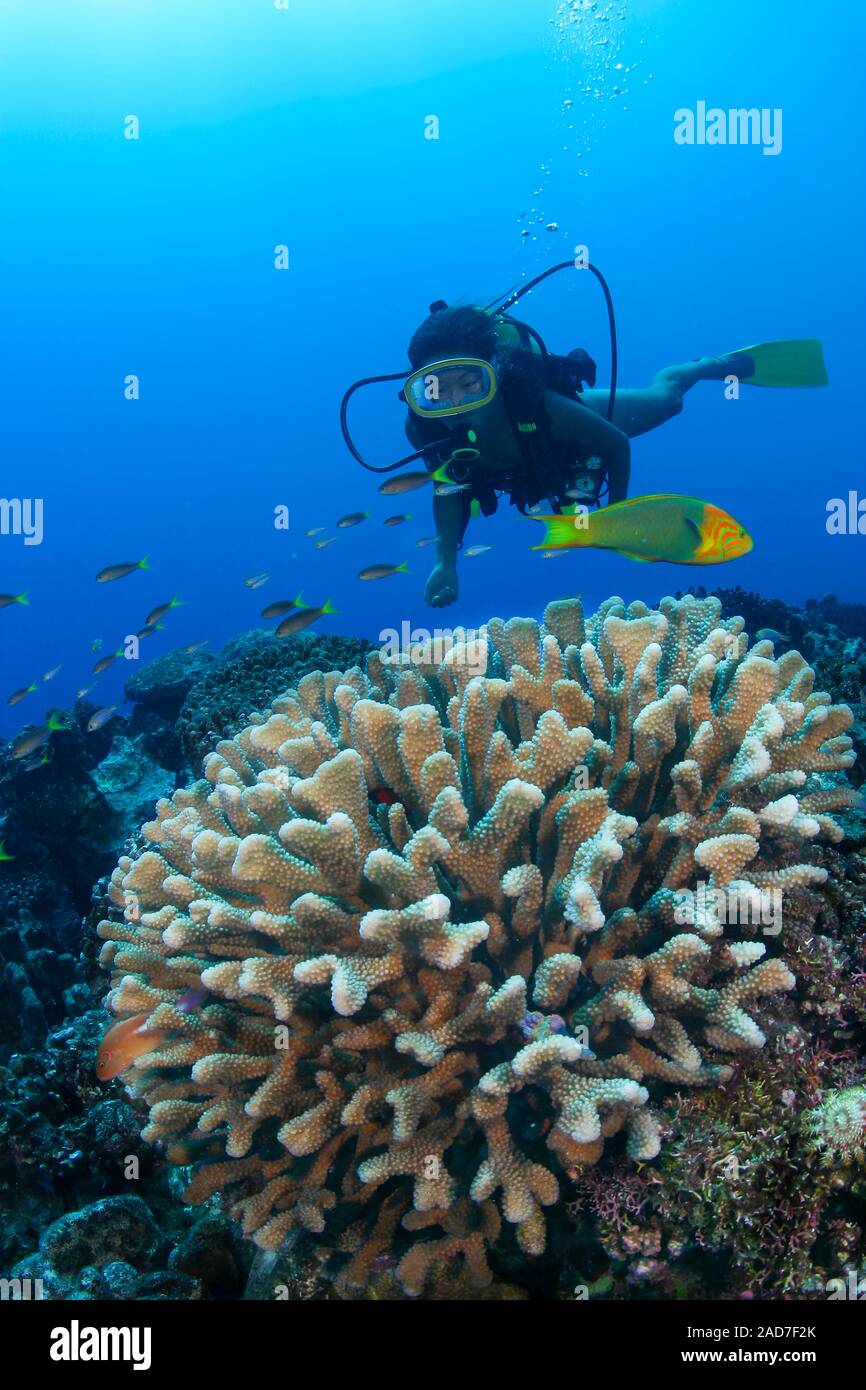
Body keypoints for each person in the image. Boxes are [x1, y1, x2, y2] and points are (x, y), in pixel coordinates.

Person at [405, 303, 750, 608]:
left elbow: (615, 444)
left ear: (493, 372)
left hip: (569, 431)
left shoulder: (538, 405)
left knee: (668, 401)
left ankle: (704, 366)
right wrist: (444, 562)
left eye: (470, 383)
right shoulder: (426, 429)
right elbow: (447, 488)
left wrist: (617, 517)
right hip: (533, 468)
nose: (454, 402)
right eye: (437, 389)